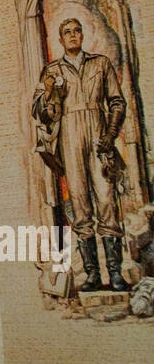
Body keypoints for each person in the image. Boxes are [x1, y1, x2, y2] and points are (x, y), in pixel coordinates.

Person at [32, 17, 127, 292]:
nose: (73, 35)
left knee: (108, 201)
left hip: (99, 134)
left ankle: (116, 273)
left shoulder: (101, 64)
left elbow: (117, 102)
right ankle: (93, 275)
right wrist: (52, 94)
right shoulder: (51, 70)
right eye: (67, 32)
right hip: (70, 138)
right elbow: (38, 110)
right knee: (81, 205)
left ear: (82, 35)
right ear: (60, 40)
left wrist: (110, 135)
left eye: (77, 31)